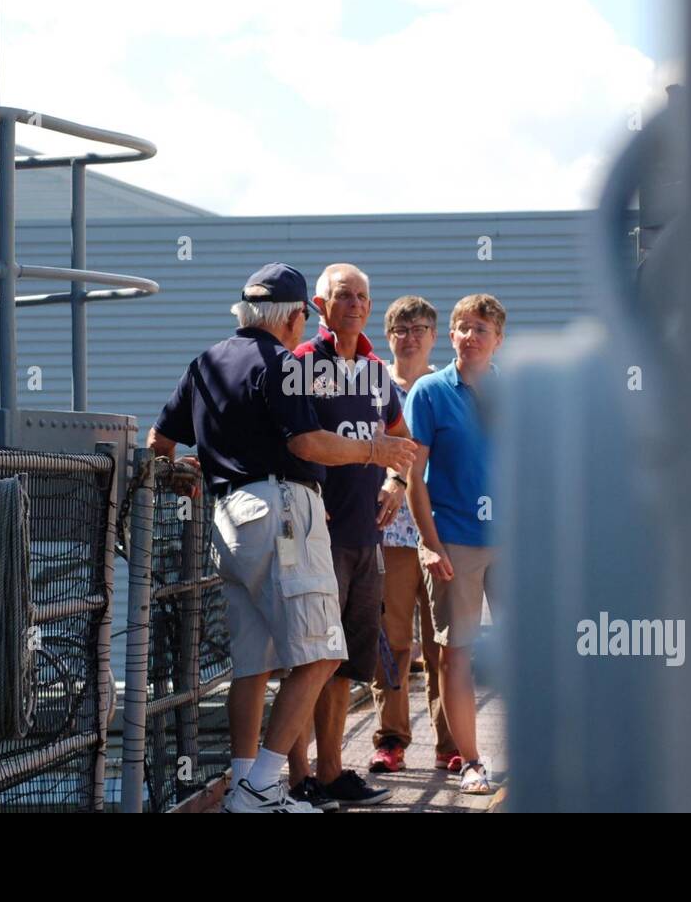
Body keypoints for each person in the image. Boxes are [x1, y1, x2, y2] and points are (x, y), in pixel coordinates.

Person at [147, 262, 416, 813]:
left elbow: (158, 442)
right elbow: (307, 445)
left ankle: (245, 783)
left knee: (254, 662)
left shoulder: (206, 361)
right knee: (322, 652)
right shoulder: (282, 363)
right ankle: (264, 783)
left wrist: (189, 476)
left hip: (228, 517)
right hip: (284, 512)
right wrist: (376, 452)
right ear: (297, 316)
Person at [283, 263, 412, 808]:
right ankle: (297, 778)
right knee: (306, 656)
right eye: (344, 296)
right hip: (313, 538)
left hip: (367, 537)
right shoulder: (303, 366)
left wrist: (397, 480)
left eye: (363, 296)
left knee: (340, 661)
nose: (355, 304)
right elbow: (293, 444)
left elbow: (400, 439)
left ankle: (333, 774)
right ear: (319, 304)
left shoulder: (378, 371)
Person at [404, 293, 506, 796]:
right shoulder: (428, 392)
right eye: (463, 327)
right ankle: (470, 762)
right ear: (452, 336)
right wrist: (429, 542)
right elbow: (413, 477)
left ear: (498, 340)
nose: (470, 336)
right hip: (454, 544)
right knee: (456, 653)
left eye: (481, 329)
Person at [368, 295, 459, 775]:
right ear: (390, 335)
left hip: (440, 532)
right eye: (402, 328)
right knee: (393, 642)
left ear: (434, 334)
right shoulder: (370, 385)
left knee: (445, 642)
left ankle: (451, 744)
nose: (411, 336)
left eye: (420, 327)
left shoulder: (448, 387)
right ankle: (392, 740)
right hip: (388, 537)